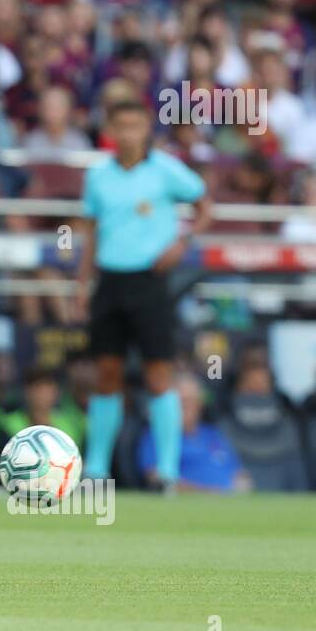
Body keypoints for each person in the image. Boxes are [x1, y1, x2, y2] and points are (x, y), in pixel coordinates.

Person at [76, 98, 212, 488]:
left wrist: (182, 243)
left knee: (158, 374)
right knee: (106, 374)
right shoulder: (98, 176)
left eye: (136, 126)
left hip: (150, 282)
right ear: (111, 132)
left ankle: (167, 472)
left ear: (147, 129)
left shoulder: (166, 171)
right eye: (122, 126)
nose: (129, 134)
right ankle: (97, 468)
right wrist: (82, 286)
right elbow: (90, 234)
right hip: (110, 281)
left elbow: (205, 205)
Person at [137, 372, 249, 492]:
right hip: (188, 504)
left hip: (231, 503)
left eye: (191, 401)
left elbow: (239, 474)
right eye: (181, 401)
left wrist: (241, 487)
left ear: (200, 404)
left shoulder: (213, 434)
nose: (186, 406)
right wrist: (209, 493)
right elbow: (157, 479)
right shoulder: (157, 436)